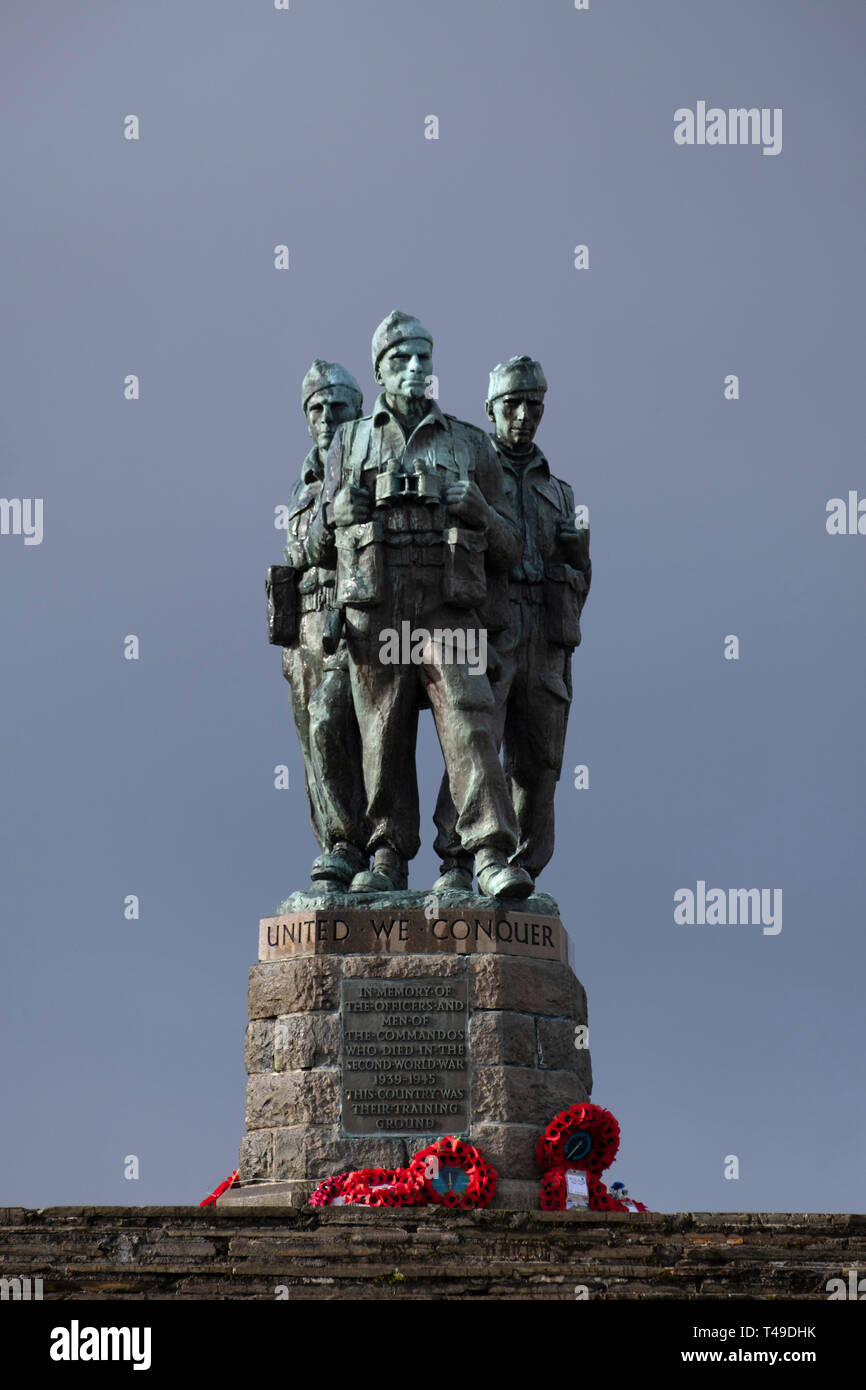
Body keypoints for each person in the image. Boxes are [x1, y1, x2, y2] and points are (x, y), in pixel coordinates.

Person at [307, 312, 532, 899]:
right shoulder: (351, 442)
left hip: (447, 606)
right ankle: (385, 851)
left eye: (424, 359)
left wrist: (479, 510)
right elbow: (312, 545)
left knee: (469, 714)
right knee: (382, 731)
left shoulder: (469, 443)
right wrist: (338, 516)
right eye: (402, 359)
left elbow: (513, 548)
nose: (415, 369)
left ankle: (485, 851)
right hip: (376, 606)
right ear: (380, 369)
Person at [433, 356, 591, 893]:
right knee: (474, 738)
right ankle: (458, 859)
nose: (523, 415)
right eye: (512, 404)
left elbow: (582, 582)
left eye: (534, 405)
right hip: (491, 625)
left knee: (541, 761)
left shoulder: (561, 492)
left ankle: (520, 867)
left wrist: (580, 559)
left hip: (547, 633)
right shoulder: (475, 476)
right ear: (491, 409)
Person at [278, 360, 368, 889]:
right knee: (313, 747)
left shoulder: (366, 468)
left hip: (353, 615)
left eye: (339, 407)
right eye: (318, 408)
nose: (328, 418)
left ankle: (355, 843)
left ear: (358, 410)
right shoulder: (303, 484)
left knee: (334, 725)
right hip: (304, 626)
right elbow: (296, 551)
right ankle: (337, 851)